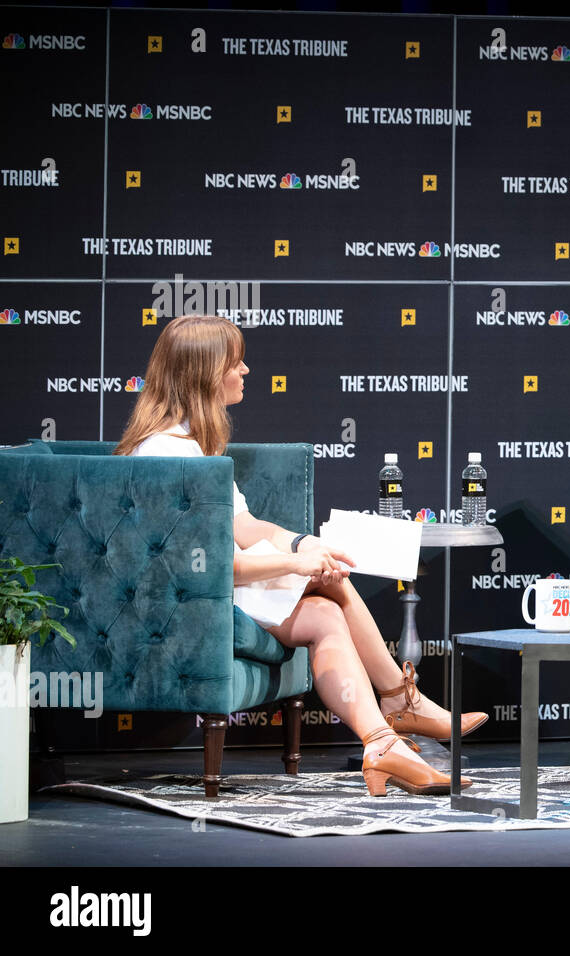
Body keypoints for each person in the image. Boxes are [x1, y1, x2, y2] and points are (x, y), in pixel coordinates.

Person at [115, 314, 487, 797]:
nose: (246, 370)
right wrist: (297, 563)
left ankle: (383, 737)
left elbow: (243, 526)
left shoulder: (189, 445)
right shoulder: (166, 454)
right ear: (205, 373)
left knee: (325, 612)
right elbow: (210, 567)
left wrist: (302, 543)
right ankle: (400, 703)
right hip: (189, 599)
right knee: (326, 589)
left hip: (216, 585)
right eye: (235, 362)